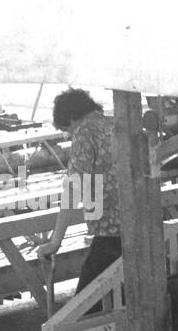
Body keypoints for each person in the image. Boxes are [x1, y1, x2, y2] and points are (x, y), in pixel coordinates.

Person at [38, 88, 123, 293]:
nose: (70, 135)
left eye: (68, 130)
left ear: (71, 118)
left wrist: (55, 241)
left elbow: (73, 188)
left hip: (110, 230)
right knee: (125, 294)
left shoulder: (84, 132)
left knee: (86, 303)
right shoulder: (114, 124)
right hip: (137, 223)